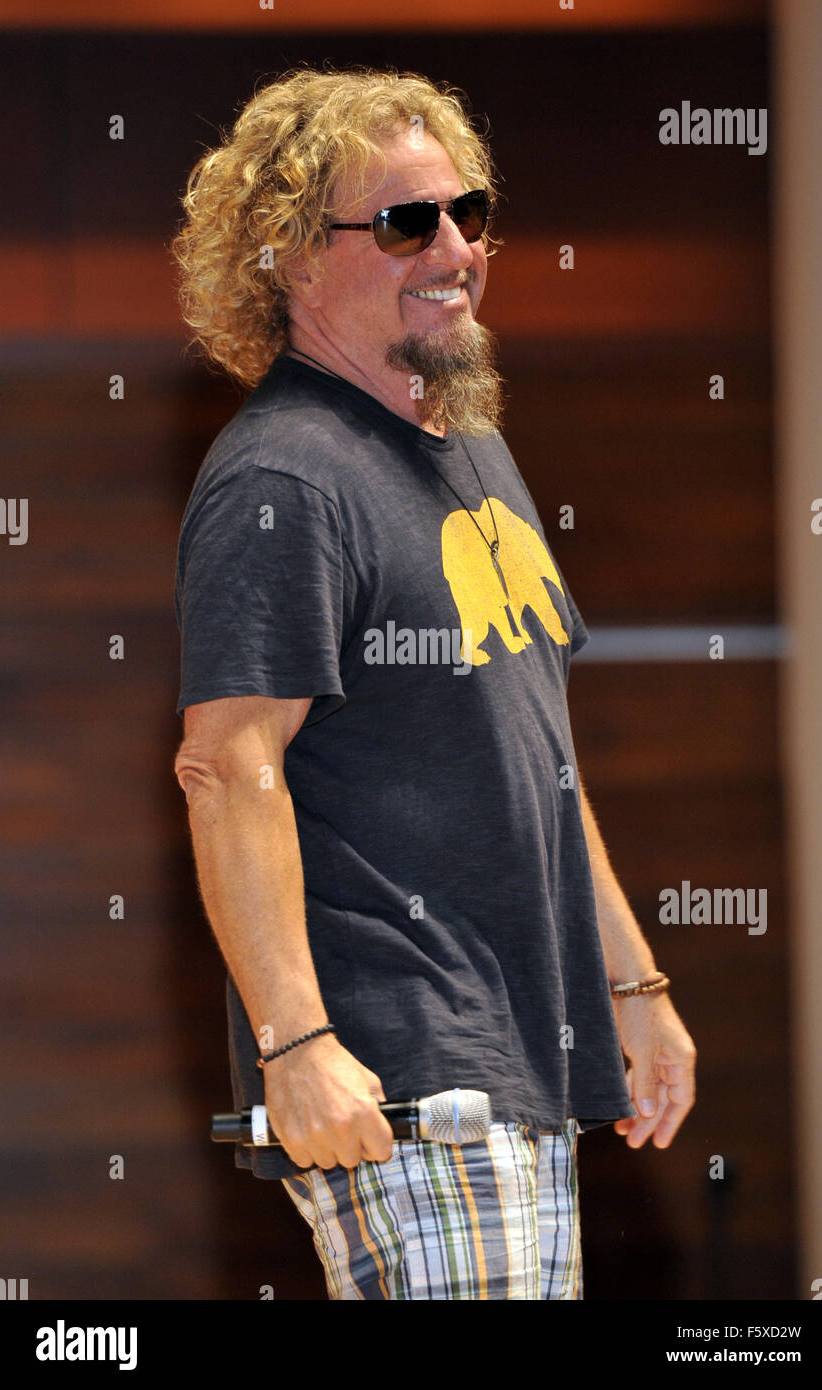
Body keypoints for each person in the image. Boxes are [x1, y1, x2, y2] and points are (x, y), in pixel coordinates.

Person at [170, 66, 696, 1301]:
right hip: (403, 1077)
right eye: (407, 222)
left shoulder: (475, 451)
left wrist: (633, 984)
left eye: (468, 212)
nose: (456, 248)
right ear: (292, 259)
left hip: (525, 1059)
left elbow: (539, 755)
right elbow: (225, 763)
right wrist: (296, 1044)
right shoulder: (284, 481)